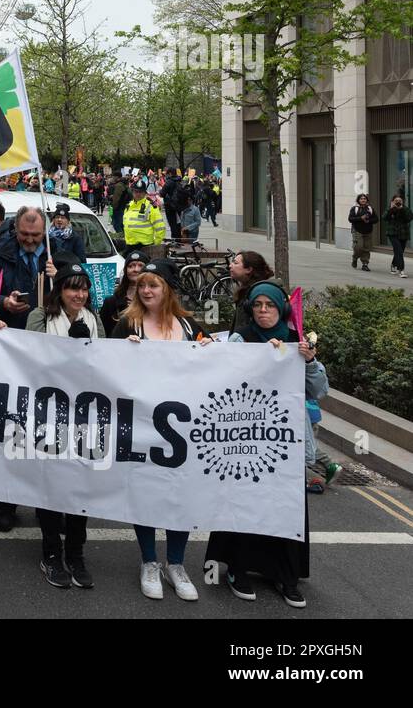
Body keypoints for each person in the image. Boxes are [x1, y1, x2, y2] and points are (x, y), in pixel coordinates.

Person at [204, 282, 326, 608]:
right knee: (246, 503)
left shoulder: (297, 343)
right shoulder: (241, 339)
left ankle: (285, 574)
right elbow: (225, 378)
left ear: (280, 309)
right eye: (257, 305)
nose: (262, 310)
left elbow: (318, 390)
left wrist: (309, 361)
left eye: (269, 305)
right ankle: (237, 570)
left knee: (285, 507)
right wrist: (260, 360)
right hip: (246, 441)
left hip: (285, 444)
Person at [108, 258, 210, 601]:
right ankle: (149, 560)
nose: (147, 290)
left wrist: (211, 351)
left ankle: (176, 563)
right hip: (141, 425)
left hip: (183, 427)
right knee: (146, 492)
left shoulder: (187, 324)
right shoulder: (127, 323)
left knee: (180, 493)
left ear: (167, 289)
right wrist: (124, 354)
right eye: (143, 285)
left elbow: (216, 369)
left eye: (154, 284)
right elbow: (105, 370)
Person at [25, 262, 103, 589]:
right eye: (73, 288)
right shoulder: (40, 317)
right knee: (51, 484)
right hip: (48, 411)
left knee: (78, 484)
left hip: (83, 415)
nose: (79, 295)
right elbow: (24, 358)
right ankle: (51, 551)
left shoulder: (92, 320)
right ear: (60, 290)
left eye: (84, 288)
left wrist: (86, 351)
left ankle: (76, 551)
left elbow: (103, 368)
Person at [0, 206, 57, 330]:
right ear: (16, 229)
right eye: (24, 234)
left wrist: (59, 277)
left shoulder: (57, 254)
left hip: (48, 332)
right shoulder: (0, 254)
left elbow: (78, 293)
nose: (30, 240)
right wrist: (4, 302)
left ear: (44, 232)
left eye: (35, 235)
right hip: (11, 333)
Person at [99, 250, 148, 335]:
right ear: (125, 270)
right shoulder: (111, 302)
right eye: (131, 266)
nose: (136, 269)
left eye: (140, 266)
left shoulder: (152, 300)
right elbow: (104, 334)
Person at [228, 251, 275, 333]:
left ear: (249, 269)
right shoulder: (247, 291)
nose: (230, 266)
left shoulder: (257, 294)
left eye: (235, 263)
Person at [123, 181, 166, 257]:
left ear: (145, 193)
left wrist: (155, 245)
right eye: (136, 191)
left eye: (141, 192)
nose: (138, 194)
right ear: (132, 192)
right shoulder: (129, 206)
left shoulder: (151, 206)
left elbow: (160, 228)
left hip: (145, 247)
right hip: (129, 245)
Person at [348, 194, 378, 272]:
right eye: (361, 199)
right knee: (359, 247)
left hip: (368, 231)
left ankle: (365, 264)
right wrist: (360, 218)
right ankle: (355, 258)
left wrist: (369, 221)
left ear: (367, 200)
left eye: (364, 199)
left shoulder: (370, 208)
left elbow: (376, 219)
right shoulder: (355, 209)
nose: (363, 200)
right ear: (358, 200)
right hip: (357, 230)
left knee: (367, 248)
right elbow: (350, 219)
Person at [384, 194, 410, 278]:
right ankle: (401, 270)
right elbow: (384, 218)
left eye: (400, 201)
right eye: (396, 201)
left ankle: (393, 264)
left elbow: (409, 218)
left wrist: (402, 209)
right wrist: (392, 209)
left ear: (402, 201)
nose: (398, 202)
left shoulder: (405, 209)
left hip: (403, 233)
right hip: (392, 233)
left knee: (400, 251)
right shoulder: (390, 209)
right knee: (398, 251)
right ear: (393, 201)